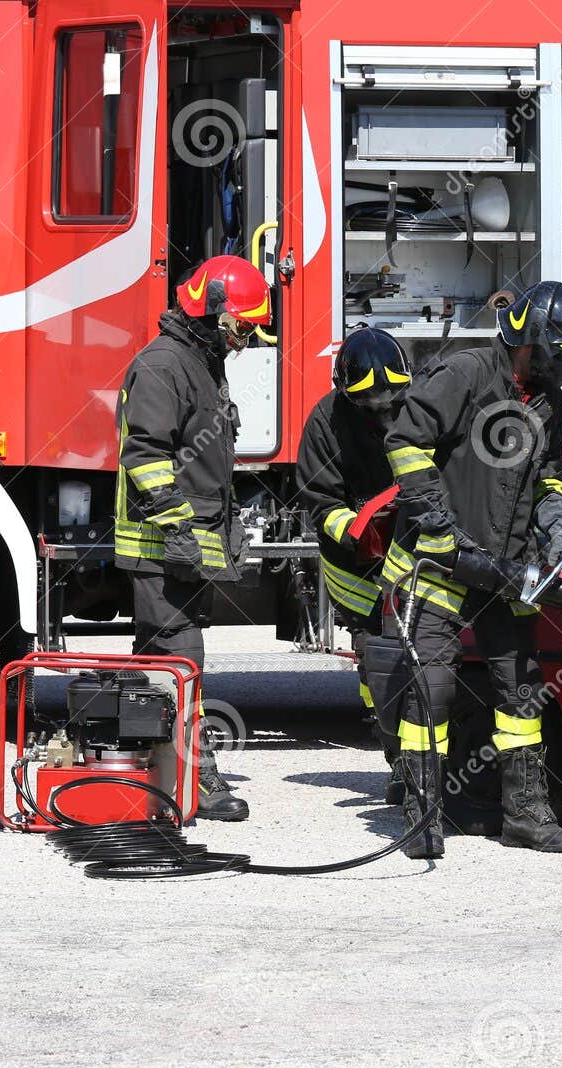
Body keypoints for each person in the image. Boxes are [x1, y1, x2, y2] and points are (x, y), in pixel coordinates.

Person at [382, 281, 562, 859]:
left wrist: (557, 524)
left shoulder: (549, 401)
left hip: (509, 568)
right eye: (560, 354)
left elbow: (549, 476)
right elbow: (405, 443)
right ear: (530, 340)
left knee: (521, 690)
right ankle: (420, 812)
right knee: (434, 685)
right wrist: (437, 523)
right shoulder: (465, 374)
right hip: (445, 562)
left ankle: (525, 813)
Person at [115, 254, 271, 822]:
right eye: (243, 325)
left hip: (184, 547)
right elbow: (145, 457)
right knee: (183, 661)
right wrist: (179, 526)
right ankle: (195, 777)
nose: (246, 338)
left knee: (158, 661)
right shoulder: (163, 366)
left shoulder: (200, 362)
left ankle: (146, 767)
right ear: (211, 311)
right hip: (162, 548)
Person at [296, 326, 413, 804]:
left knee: (425, 660)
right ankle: (400, 762)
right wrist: (362, 529)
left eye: (391, 400)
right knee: (378, 664)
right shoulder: (325, 422)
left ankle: (427, 759)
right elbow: (319, 501)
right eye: (372, 404)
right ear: (346, 392)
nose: (383, 411)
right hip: (355, 569)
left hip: (412, 558)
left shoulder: (418, 405)